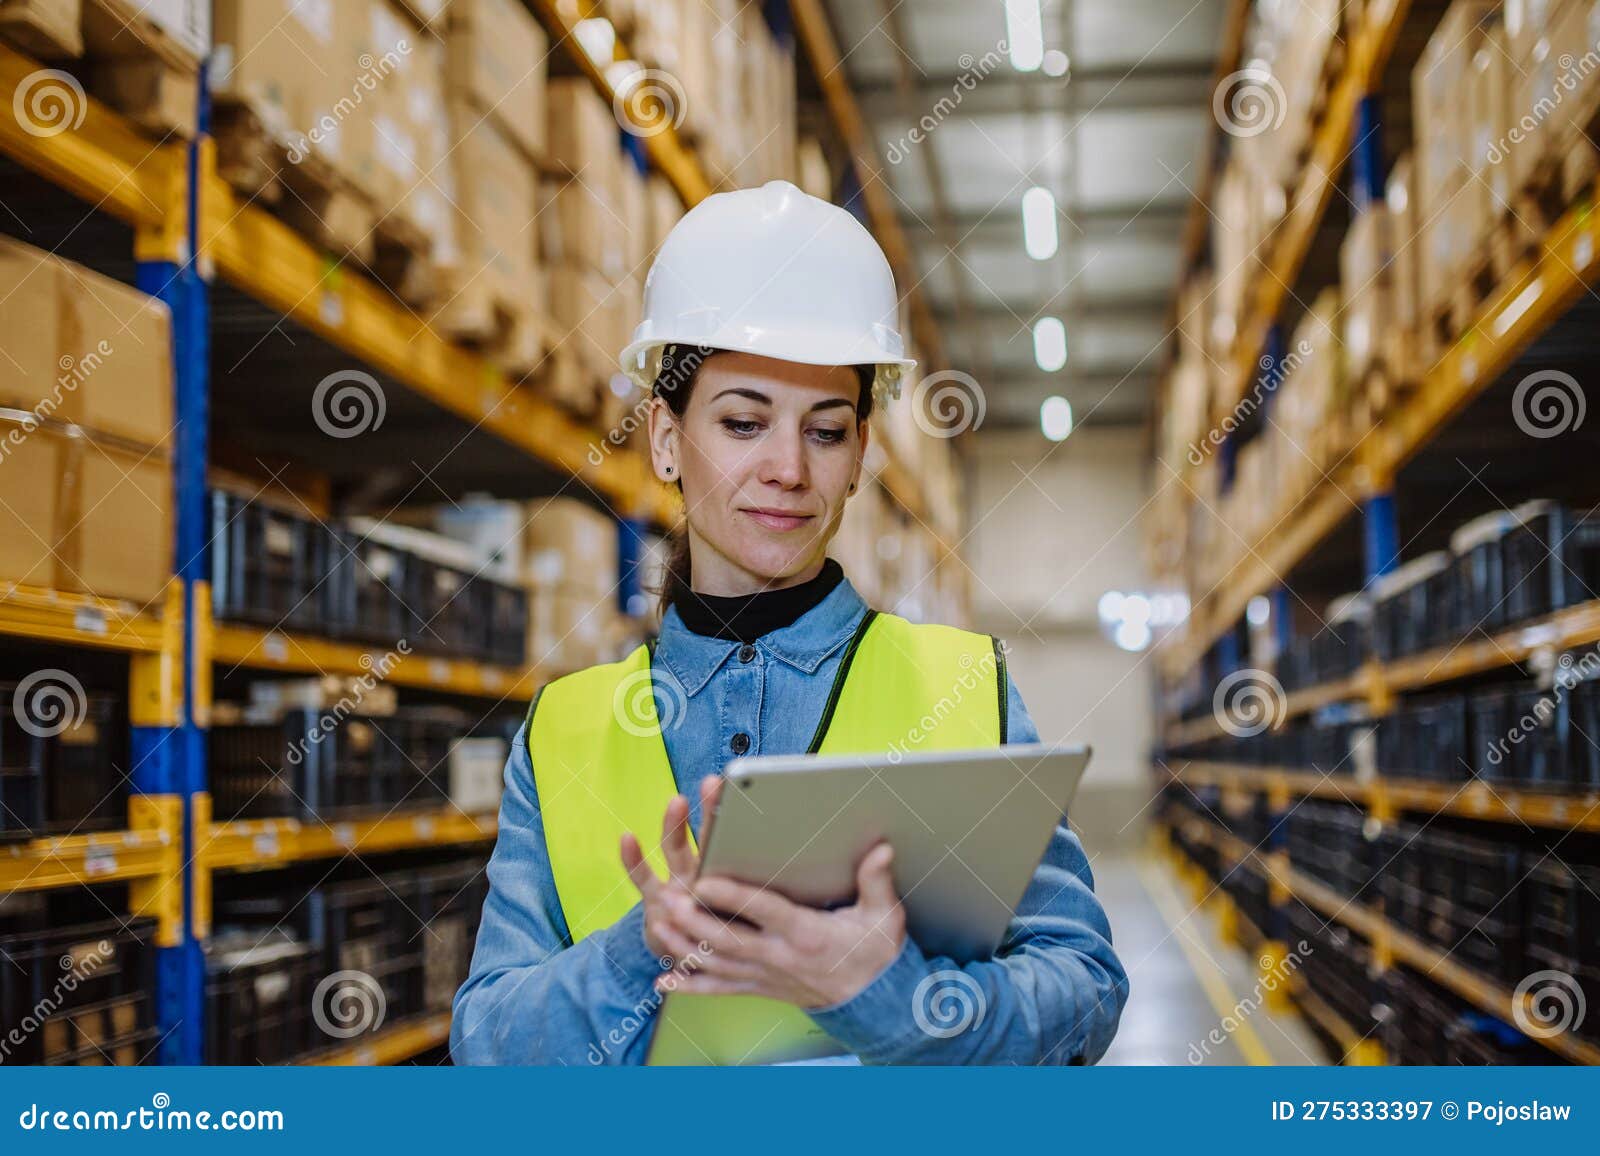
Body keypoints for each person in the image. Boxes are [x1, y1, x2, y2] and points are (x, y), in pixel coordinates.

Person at [451, 181, 1127, 1065]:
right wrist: (638, 952)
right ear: (664, 437)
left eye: (825, 431)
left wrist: (890, 1000)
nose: (787, 469)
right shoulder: (566, 729)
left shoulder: (962, 686)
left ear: (859, 456)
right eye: (742, 423)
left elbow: (1083, 988)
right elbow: (486, 1044)